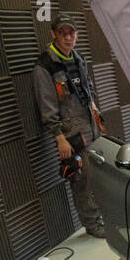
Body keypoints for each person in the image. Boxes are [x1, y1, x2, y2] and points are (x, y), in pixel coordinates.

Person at [33, 13, 105, 237]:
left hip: (90, 125)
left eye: (71, 33)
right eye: (62, 33)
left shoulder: (78, 57)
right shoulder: (45, 66)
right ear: (53, 34)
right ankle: (93, 225)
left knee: (97, 175)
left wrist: (95, 111)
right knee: (82, 179)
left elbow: (87, 87)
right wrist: (59, 137)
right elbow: (47, 106)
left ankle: (101, 216)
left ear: (77, 34)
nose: (67, 37)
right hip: (71, 132)